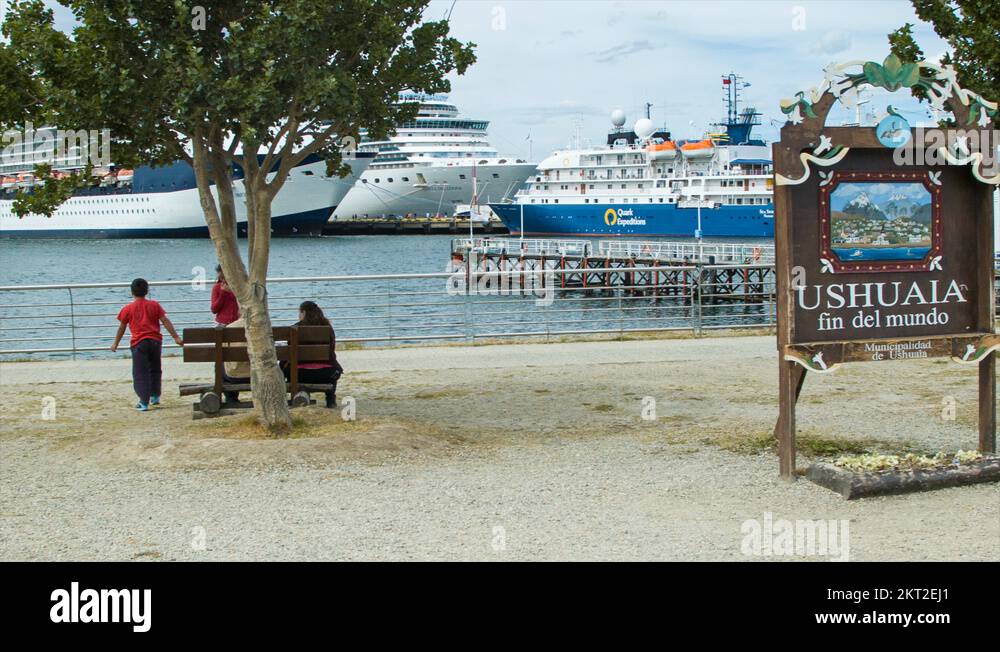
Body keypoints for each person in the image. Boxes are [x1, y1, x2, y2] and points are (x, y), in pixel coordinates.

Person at [111, 278, 183, 411]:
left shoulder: (128, 309)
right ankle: (155, 396)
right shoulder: (155, 305)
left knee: (140, 372)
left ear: (131, 292)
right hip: (155, 341)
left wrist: (116, 343)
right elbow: (165, 321)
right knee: (155, 369)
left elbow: (122, 327)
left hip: (139, 343)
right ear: (147, 290)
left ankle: (143, 401)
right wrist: (176, 337)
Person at [282, 301, 342, 408]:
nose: (298, 315)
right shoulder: (327, 327)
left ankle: (289, 396)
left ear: (304, 312)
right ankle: (330, 399)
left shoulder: (294, 329)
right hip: (325, 374)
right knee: (336, 367)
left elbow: (289, 351)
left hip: (299, 374)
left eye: (299, 313)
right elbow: (331, 350)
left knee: (283, 363)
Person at [221, 317, 250, 405]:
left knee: (219, 365)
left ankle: (231, 398)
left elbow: (222, 352)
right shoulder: (262, 328)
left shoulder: (228, 328)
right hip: (259, 374)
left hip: (233, 376)